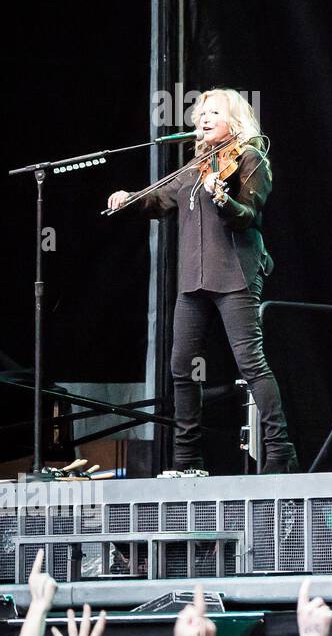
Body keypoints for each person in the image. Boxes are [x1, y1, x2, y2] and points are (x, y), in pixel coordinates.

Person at [107, 88, 299, 475]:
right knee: (182, 367)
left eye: (214, 112)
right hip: (193, 281)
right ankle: (187, 459)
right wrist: (129, 197)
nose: (204, 118)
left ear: (235, 119)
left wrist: (223, 199)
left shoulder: (249, 158)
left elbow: (247, 213)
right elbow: (158, 200)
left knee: (251, 364)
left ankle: (281, 451)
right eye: (201, 114)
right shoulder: (195, 168)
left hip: (234, 274)